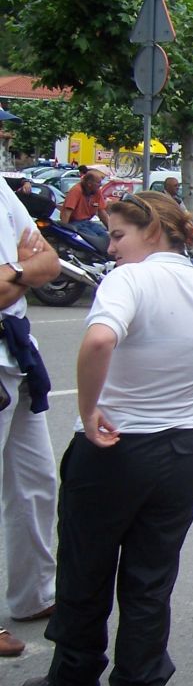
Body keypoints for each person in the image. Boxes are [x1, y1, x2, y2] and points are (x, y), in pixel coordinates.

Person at [21, 191, 193, 686]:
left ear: (153, 230)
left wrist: (89, 412)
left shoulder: (129, 280)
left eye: (117, 236)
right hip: (182, 449)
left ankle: (73, 681)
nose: (111, 249)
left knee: (86, 568)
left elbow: (98, 342)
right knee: (150, 579)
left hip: (115, 450)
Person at [0, 177, 61, 659]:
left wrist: (15, 272)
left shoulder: (2, 188)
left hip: (15, 353)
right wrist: (25, 269)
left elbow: (50, 262)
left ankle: (33, 595)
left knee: (36, 480)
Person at [60, 170, 108, 239]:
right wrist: (64, 232)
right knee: (94, 239)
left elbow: (102, 213)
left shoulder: (97, 191)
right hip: (74, 223)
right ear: (89, 184)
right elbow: (66, 213)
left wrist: (112, 230)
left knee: (105, 237)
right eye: (98, 183)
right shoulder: (76, 190)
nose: (101, 185)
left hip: (87, 222)